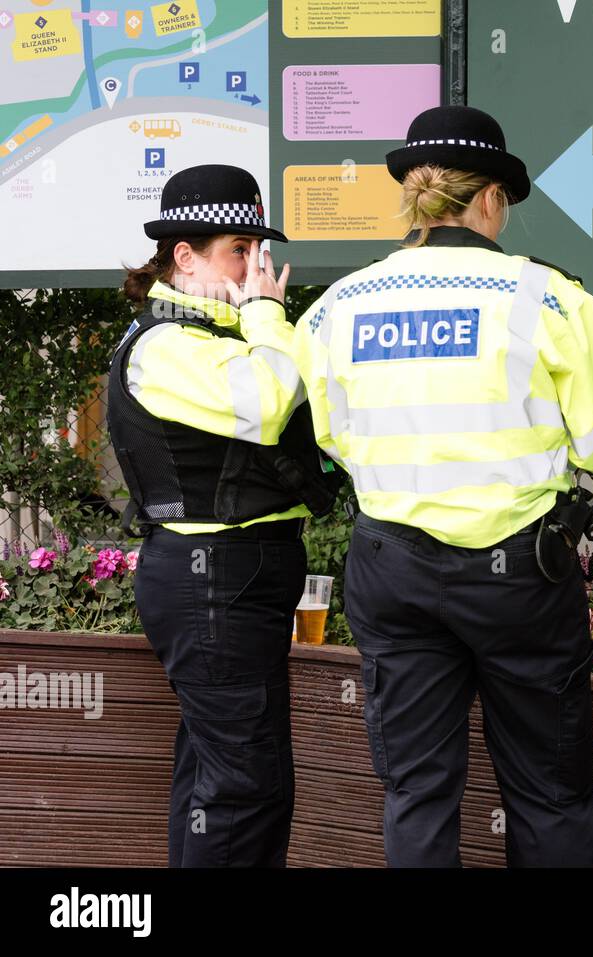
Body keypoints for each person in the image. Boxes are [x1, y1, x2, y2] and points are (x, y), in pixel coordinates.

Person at [291, 105, 593, 867]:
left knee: (417, 792)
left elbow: (325, 437)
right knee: (549, 794)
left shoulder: (333, 309)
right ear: (490, 198)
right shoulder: (553, 301)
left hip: (391, 567)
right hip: (520, 573)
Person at [107, 164, 341, 866]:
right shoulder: (166, 344)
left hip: (231, 583)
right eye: (240, 248)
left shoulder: (208, 333)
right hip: (213, 585)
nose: (257, 268)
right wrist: (268, 313)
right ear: (185, 256)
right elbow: (268, 402)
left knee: (221, 781)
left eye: (258, 250)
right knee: (245, 786)